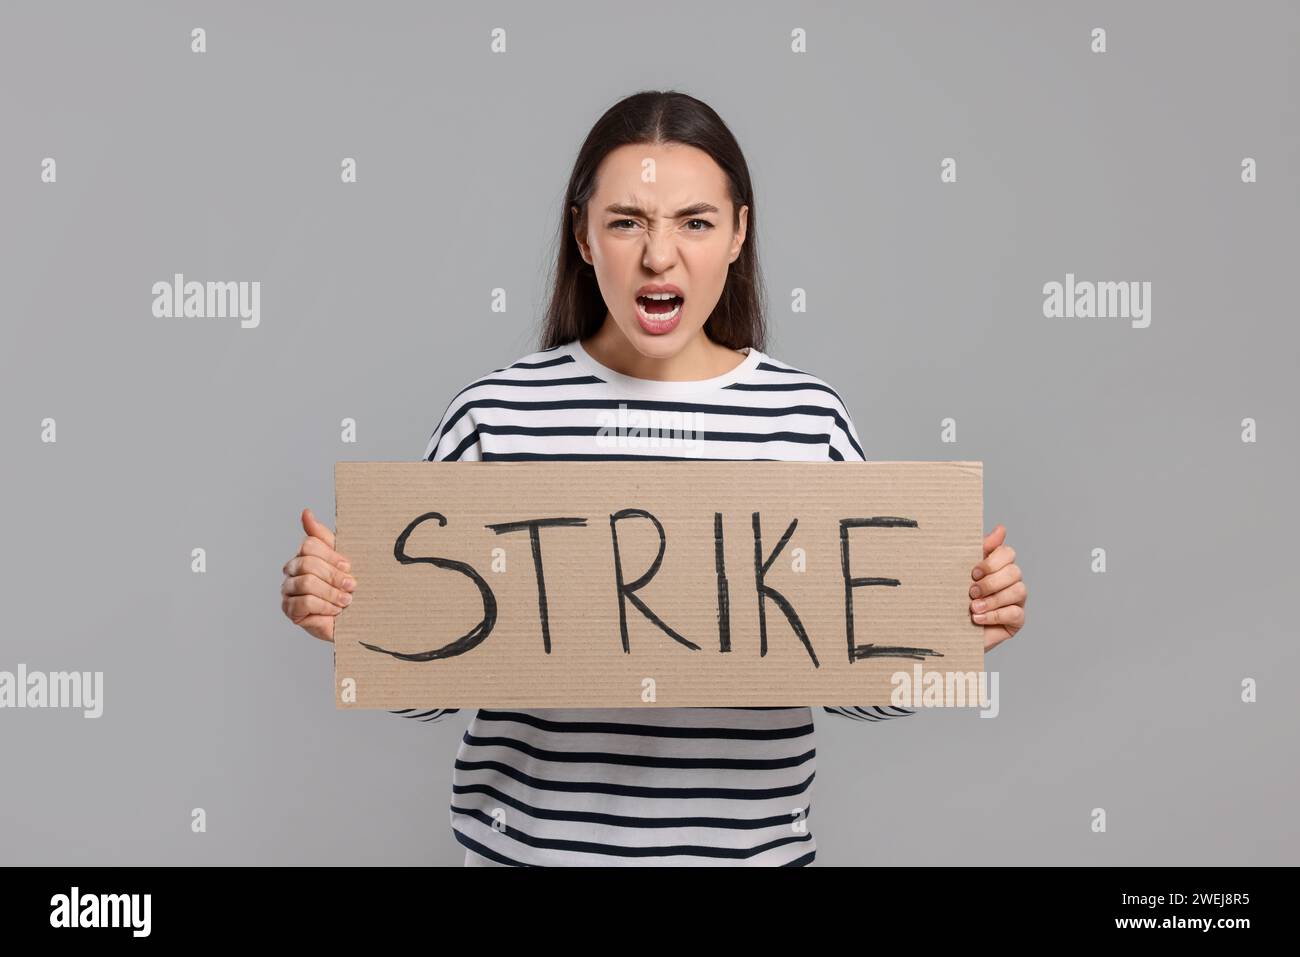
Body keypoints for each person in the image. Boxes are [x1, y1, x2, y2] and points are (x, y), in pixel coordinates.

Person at [280, 90, 1028, 866]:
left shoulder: (806, 418)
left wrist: (955, 626)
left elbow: (852, 682)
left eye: (695, 222)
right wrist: (354, 625)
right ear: (583, 234)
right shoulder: (496, 414)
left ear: (739, 233)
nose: (658, 255)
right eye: (627, 221)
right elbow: (432, 687)